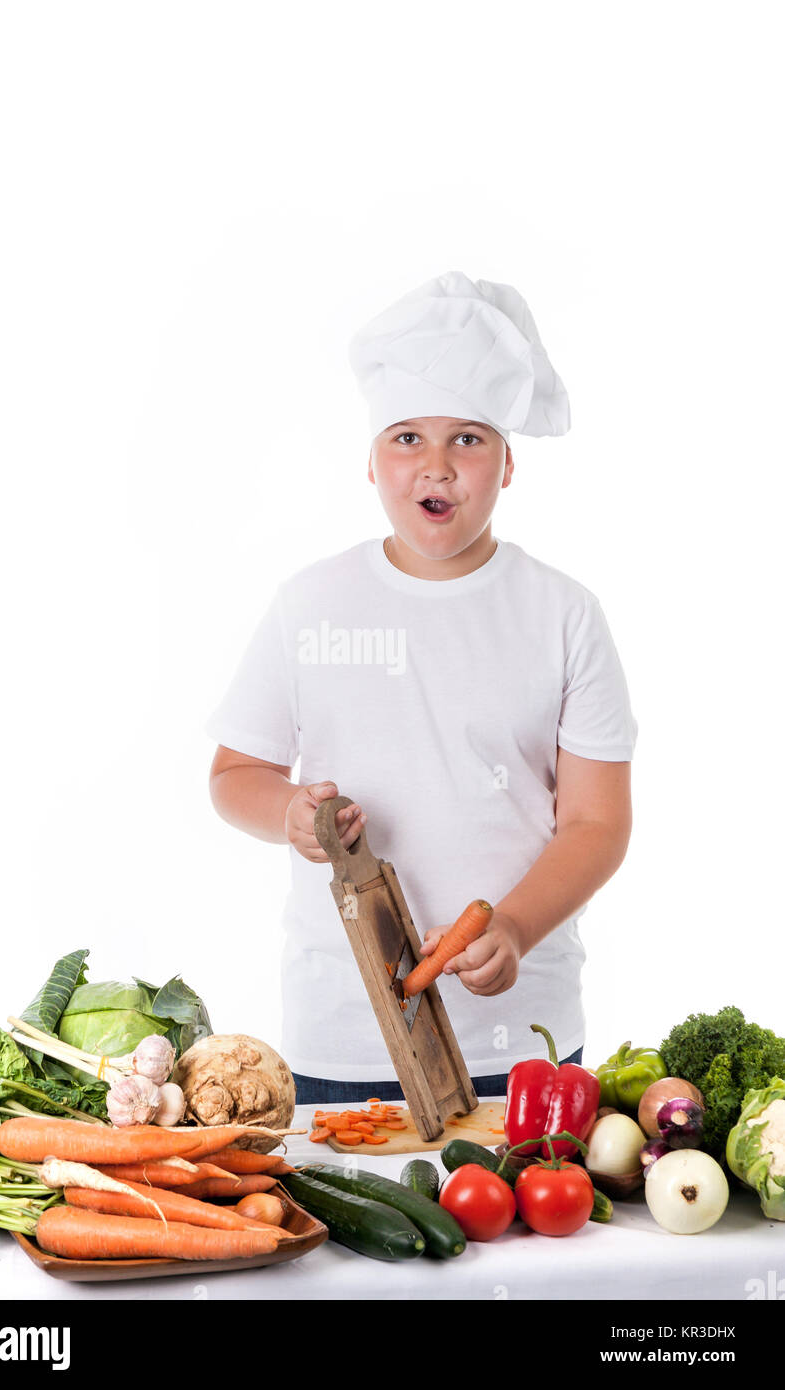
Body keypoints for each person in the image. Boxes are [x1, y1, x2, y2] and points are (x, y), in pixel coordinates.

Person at [206, 270, 638, 1105]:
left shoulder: (564, 614)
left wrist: (511, 927)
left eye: (468, 439)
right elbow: (233, 776)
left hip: (522, 1037)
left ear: (508, 463)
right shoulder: (311, 604)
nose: (435, 466)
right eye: (406, 438)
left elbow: (597, 822)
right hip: (346, 1032)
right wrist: (289, 813)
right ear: (370, 462)